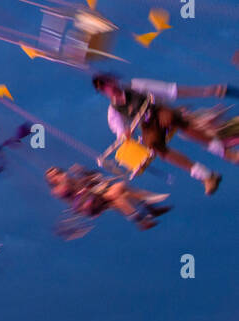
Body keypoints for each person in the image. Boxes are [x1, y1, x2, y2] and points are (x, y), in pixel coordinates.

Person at [93, 74, 239, 195]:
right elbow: (118, 129)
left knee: (170, 119)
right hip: (148, 124)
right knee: (153, 145)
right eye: (104, 87)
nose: (109, 88)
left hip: (159, 111)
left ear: (114, 80)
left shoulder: (136, 86)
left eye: (108, 83)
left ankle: (226, 153)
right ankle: (207, 175)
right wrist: (124, 133)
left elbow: (171, 91)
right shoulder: (113, 110)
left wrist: (206, 91)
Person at [44, 164, 170, 230]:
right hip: (86, 203)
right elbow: (64, 191)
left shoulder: (74, 180)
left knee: (120, 197)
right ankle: (148, 207)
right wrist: (65, 179)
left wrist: (84, 172)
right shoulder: (56, 189)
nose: (57, 176)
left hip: (95, 199)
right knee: (119, 187)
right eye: (53, 176)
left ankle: (144, 219)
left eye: (58, 173)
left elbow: (93, 177)